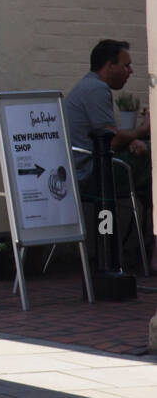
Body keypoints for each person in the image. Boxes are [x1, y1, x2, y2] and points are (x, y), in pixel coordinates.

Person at [65, 38, 153, 269]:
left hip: (87, 165)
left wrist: (133, 139)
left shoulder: (87, 86)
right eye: (126, 65)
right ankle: (148, 253)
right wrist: (143, 130)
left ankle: (139, 247)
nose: (131, 71)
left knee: (149, 164)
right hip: (90, 173)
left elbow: (110, 138)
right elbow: (110, 141)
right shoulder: (96, 89)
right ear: (109, 66)